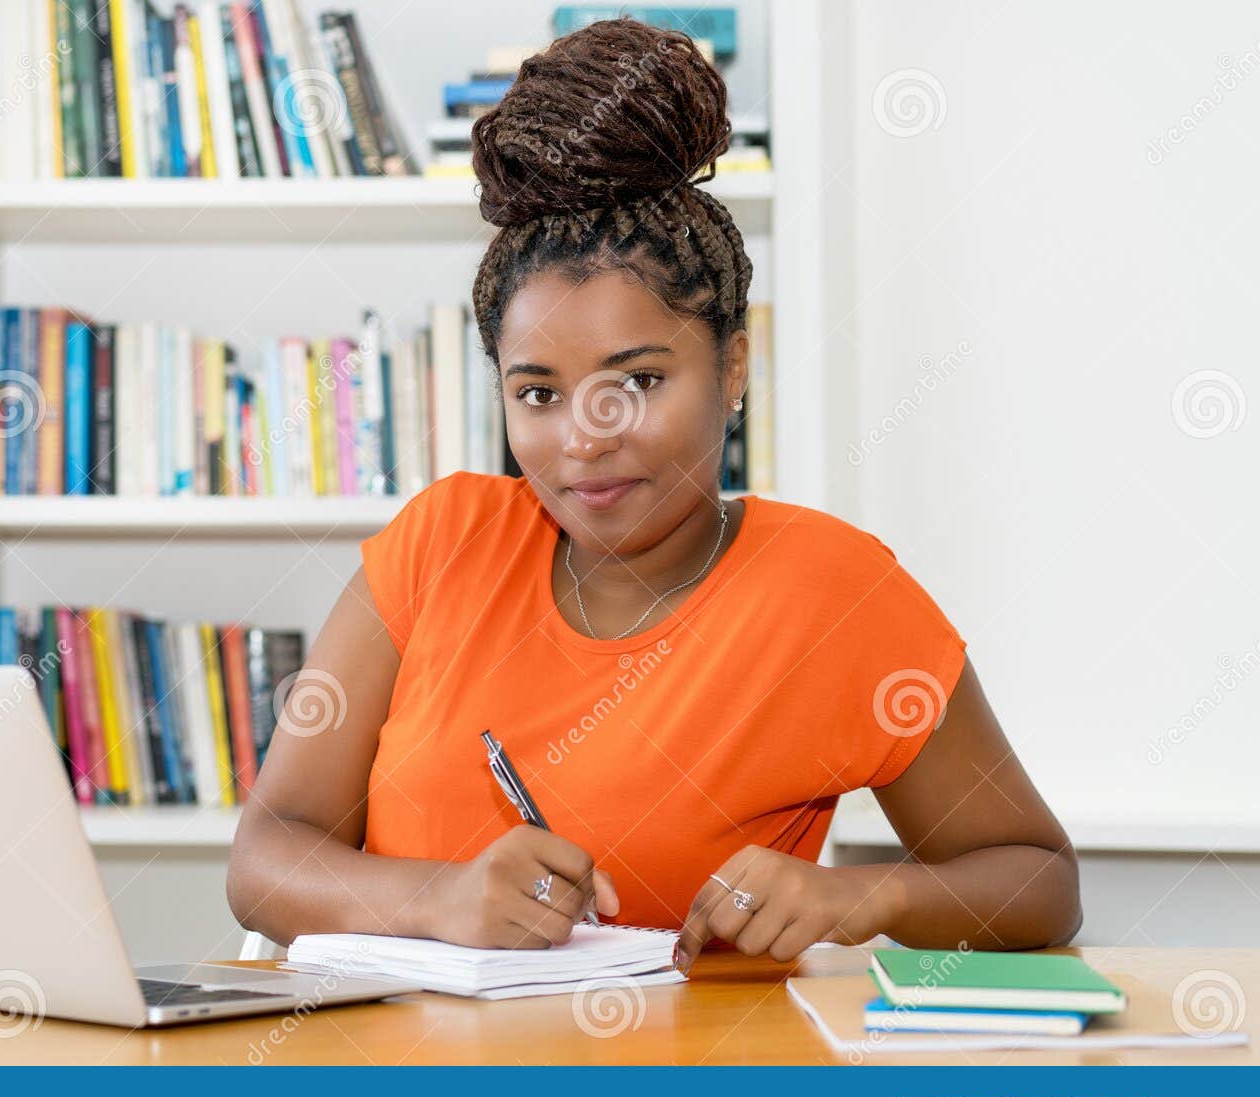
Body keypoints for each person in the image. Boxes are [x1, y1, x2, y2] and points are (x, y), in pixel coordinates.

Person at [227, 17, 1081, 970]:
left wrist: (854, 896)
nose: (584, 437)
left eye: (637, 381)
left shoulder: (834, 593)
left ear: (734, 368)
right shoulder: (440, 543)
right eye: (538, 392)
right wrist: (444, 897)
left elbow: (1038, 881)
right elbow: (266, 858)